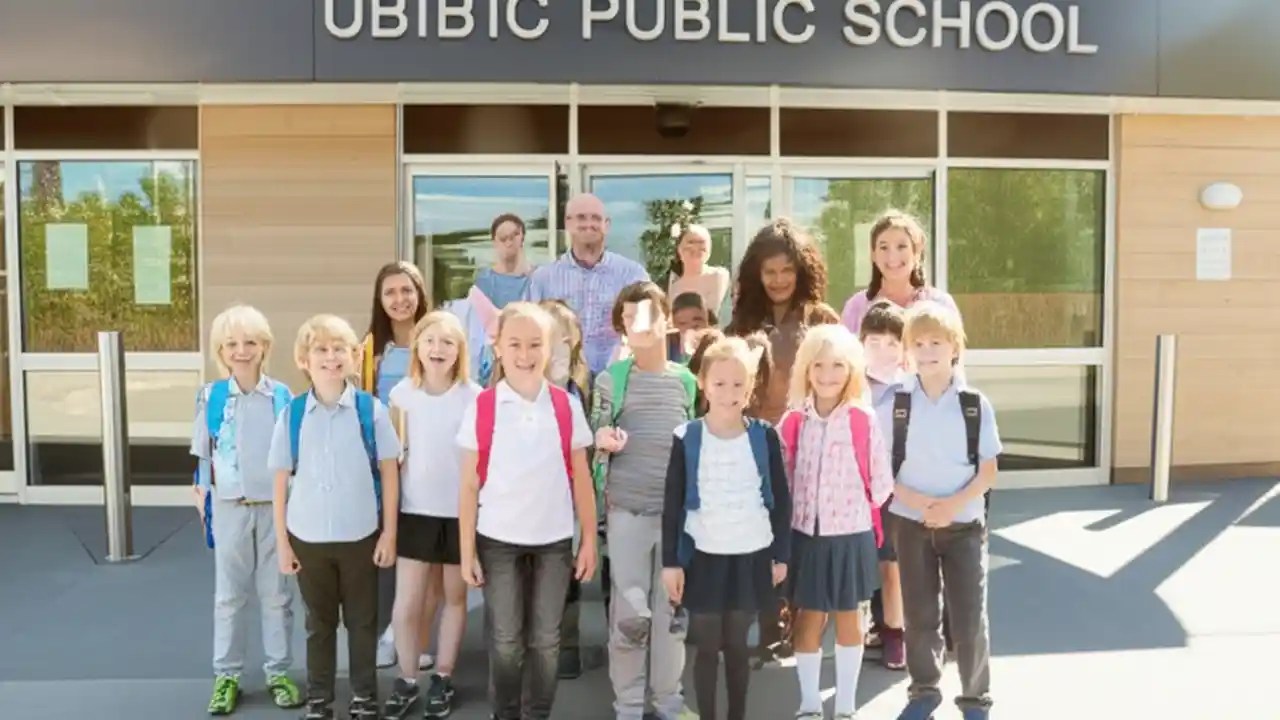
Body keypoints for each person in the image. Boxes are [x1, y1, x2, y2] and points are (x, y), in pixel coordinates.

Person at [456, 302, 599, 720]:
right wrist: (467, 552)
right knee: (505, 640)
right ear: (497, 347)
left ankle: (538, 713)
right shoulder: (483, 406)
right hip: (498, 540)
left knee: (546, 640)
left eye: (535, 343)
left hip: (554, 542)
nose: (525, 353)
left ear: (550, 347)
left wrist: (588, 538)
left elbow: (582, 478)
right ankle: (504, 713)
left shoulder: (564, 405)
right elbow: (468, 485)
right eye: (514, 343)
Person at [269, 315, 402, 720]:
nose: (331, 357)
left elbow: (390, 472)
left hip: (360, 534)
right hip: (308, 536)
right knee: (319, 625)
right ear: (303, 360)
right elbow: (279, 481)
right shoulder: (291, 415)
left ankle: (364, 696)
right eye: (321, 350)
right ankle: (319, 699)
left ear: (354, 355)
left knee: (364, 623)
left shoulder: (370, 410)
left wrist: (389, 535)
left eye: (339, 349)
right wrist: (283, 542)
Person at [661, 337, 791, 720]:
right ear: (702, 383)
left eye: (738, 384)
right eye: (720, 384)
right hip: (704, 557)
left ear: (750, 387)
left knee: (738, 643)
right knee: (706, 643)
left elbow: (781, 500)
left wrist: (781, 554)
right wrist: (671, 562)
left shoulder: (764, 436)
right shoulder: (687, 437)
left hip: (750, 554)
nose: (729, 393)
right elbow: (672, 505)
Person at [726, 218, 838, 664]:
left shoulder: (820, 319)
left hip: (809, 444)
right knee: (763, 537)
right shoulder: (742, 322)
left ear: (802, 270)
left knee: (803, 540)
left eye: (786, 270)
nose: (778, 280)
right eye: (769, 271)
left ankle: (802, 626)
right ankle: (771, 628)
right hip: (755, 445)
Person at [890, 303, 1002, 720]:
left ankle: (975, 698)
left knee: (969, 618)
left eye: (936, 342)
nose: (926, 350)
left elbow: (988, 470)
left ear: (955, 347)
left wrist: (950, 506)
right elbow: (883, 469)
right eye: (917, 343)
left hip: (963, 526)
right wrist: (921, 505)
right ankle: (924, 690)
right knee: (919, 616)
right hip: (911, 522)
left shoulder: (974, 404)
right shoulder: (897, 403)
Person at [592, 282, 698, 720]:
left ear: (666, 320)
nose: (640, 323)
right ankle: (630, 706)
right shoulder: (610, 379)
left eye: (648, 314)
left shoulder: (688, 381)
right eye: (630, 316)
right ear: (621, 326)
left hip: (675, 521)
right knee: (631, 614)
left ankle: (669, 702)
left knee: (672, 615)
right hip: (628, 515)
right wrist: (603, 440)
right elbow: (593, 439)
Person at [191, 304, 302, 715]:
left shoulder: (283, 397)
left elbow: (293, 455)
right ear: (220, 350)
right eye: (232, 344)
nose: (242, 350)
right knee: (229, 596)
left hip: (274, 508)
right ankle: (227, 675)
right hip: (229, 505)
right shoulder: (212, 396)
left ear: (264, 347)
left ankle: (278, 671)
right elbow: (204, 453)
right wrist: (202, 494)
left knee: (276, 594)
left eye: (250, 342)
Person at [778, 325, 893, 720]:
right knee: (808, 618)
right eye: (819, 366)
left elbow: (881, 484)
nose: (827, 375)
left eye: (838, 366)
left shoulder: (862, 419)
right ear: (806, 370)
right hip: (804, 536)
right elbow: (780, 475)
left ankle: (845, 705)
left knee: (850, 618)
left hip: (851, 534)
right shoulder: (794, 421)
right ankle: (809, 703)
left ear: (852, 371)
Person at [382, 312, 481, 720]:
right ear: (417, 347)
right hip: (415, 512)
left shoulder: (474, 396)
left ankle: (443, 675)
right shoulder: (402, 395)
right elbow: (392, 458)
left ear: (460, 352)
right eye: (430, 341)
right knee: (406, 604)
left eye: (448, 342)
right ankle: (407, 678)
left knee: (454, 598)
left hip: (459, 514)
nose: (438, 349)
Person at [357, 260, 430, 670]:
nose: (400, 300)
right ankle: (386, 634)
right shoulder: (370, 351)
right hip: (382, 468)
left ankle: (414, 637)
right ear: (380, 300)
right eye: (391, 293)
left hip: (427, 465)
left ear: (420, 294)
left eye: (407, 290)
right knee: (384, 549)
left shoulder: (435, 342)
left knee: (421, 557)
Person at [526, 193, 649, 375]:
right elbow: (529, 332)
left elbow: (648, 330)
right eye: (581, 218)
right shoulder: (543, 279)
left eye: (596, 218)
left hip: (620, 378)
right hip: (562, 379)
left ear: (607, 225)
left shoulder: (632, 275)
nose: (588, 224)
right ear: (567, 223)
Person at [540, 299, 594, 678]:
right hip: (532, 497)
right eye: (551, 339)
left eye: (565, 340)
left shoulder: (579, 388)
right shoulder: (519, 386)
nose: (559, 349)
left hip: (570, 495)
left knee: (569, 569)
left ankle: (568, 643)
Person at [860, 299, 910, 670]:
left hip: (895, 490)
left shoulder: (910, 388)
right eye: (874, 342)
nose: (883, 352)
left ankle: (896, 632)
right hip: (854, 490)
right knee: (861, 565)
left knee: (891, 565)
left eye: (893, 343)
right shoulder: (850, 384)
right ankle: (863, 628)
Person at [840, 210, 958, 336]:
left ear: (917, 252)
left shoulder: (940, 304)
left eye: (901, 247)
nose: (892, 256)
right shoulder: (856, 308)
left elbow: (955, 352)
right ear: (873, 254)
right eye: (884, 247)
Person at [667, 223, 730, 316]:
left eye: (701, 242)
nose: (696, 247)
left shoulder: (718, 275)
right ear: (679, 248)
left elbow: (710, 313)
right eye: (691, 242)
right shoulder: (673, 283)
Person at [475, 213, 533, 309]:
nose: (509, 242)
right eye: (503, 238)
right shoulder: (485, 280)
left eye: (514, 235)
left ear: (523, 238)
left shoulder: (538, 278)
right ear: (494, 242)